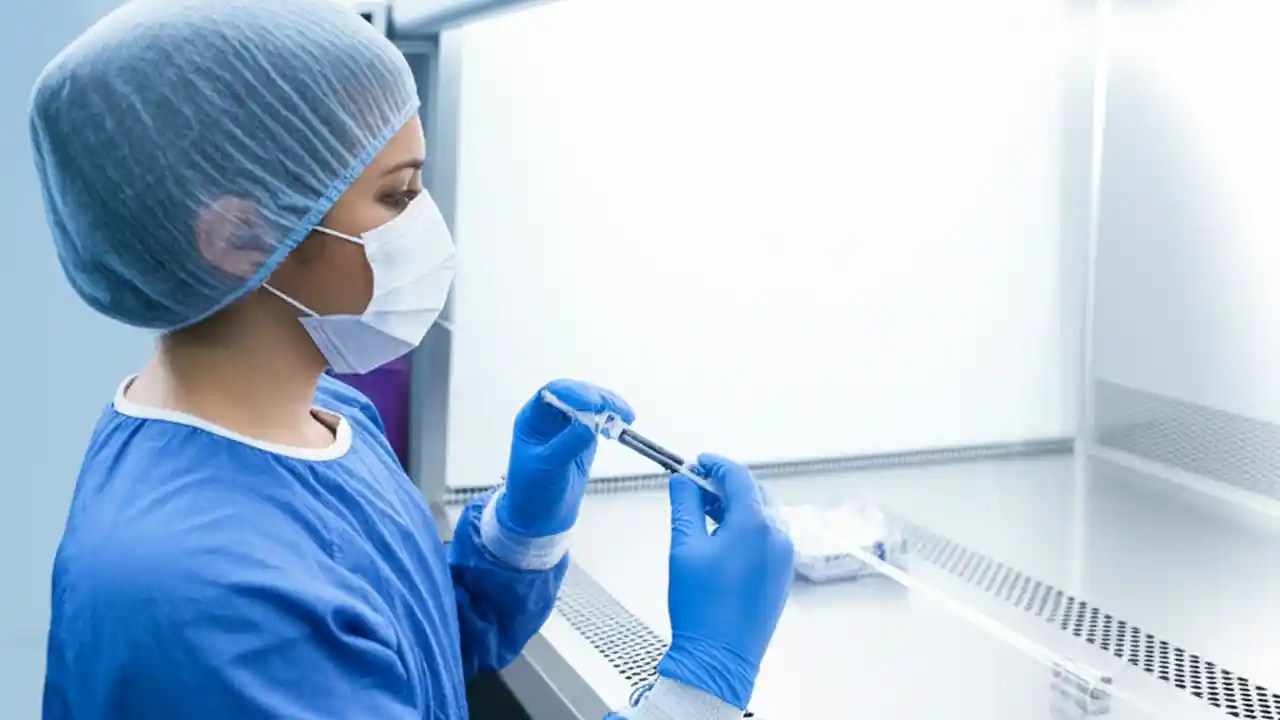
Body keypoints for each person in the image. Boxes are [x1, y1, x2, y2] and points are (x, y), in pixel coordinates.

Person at [29, 1, 796, 718]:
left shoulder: (322, 417)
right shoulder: (201, 593)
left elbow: (389, 651)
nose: (428, 224)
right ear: (236, 237)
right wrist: (700, 685)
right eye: (397, 196)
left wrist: (520, 532)